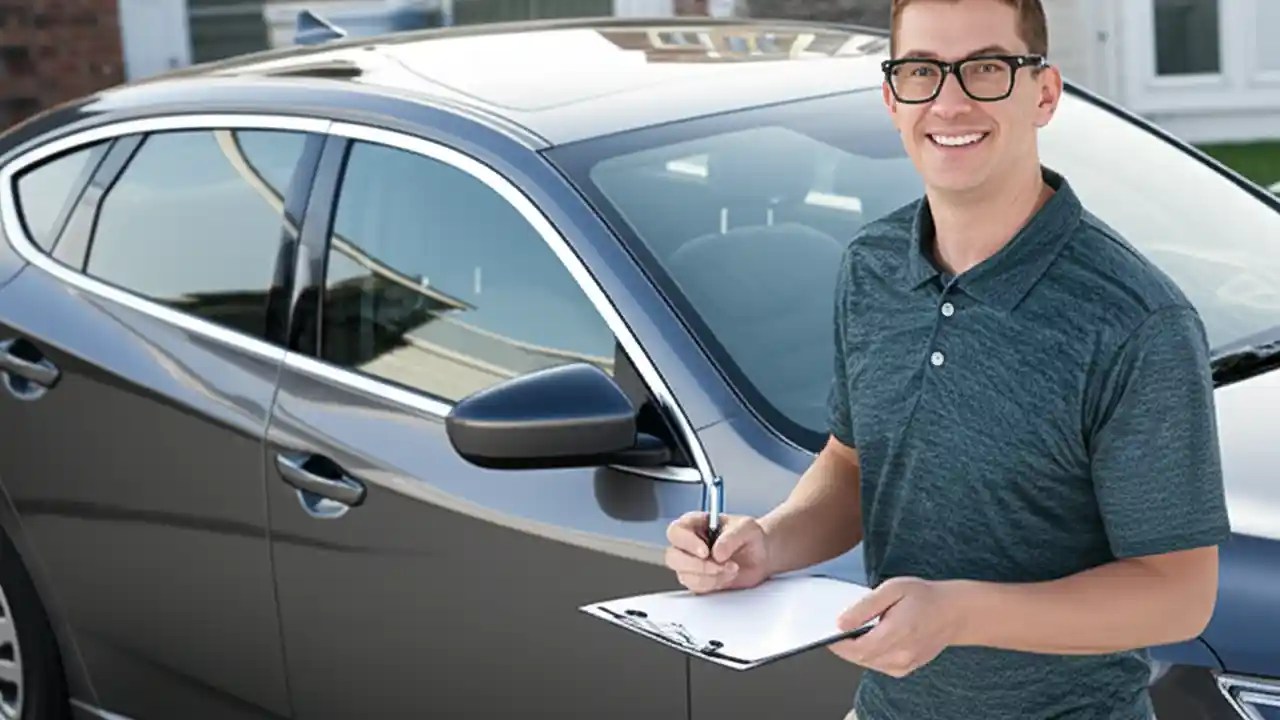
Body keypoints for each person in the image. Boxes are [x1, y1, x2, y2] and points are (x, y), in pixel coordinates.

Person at [662, 0, 1233, 718]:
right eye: (923, 71)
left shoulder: (1137, 319)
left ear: (1045, 93)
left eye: (987, 68)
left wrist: (960, 614)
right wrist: (767, 544)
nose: (951, 100)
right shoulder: (871, 266)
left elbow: (1179, 595)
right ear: (892, 98)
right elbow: (853, 463)